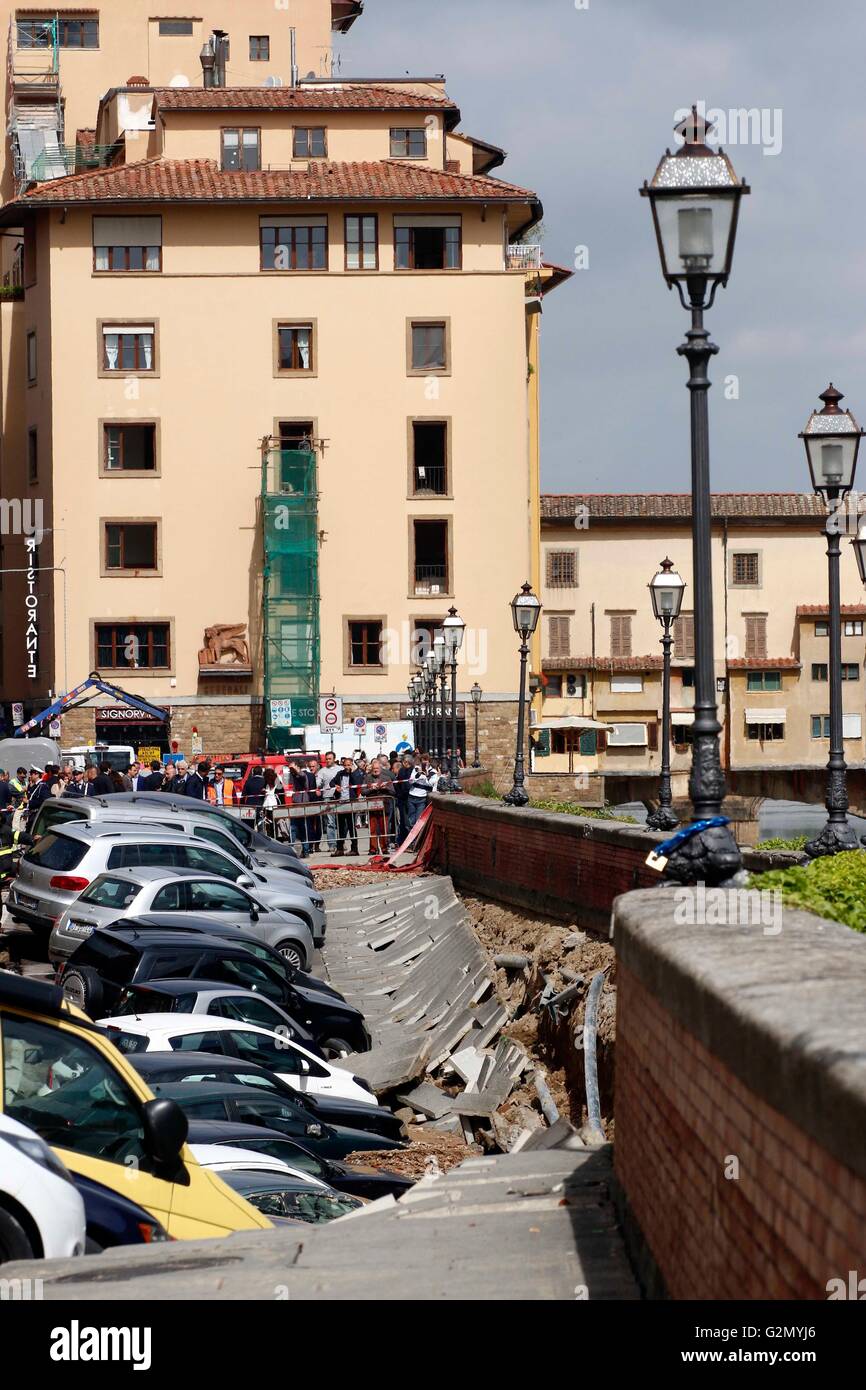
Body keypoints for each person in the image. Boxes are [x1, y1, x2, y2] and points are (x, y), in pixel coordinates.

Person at [365, 758, 394, 857]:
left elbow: (393, 792)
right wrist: (371, 789)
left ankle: (384, 847)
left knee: (383, 828)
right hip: (372, 806)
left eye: (377, 768)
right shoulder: (367, 778)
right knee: (372, 829)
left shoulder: (386, 778)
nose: (375, 770)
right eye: (374, 768)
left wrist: (386, 788)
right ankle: (373, 849)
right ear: (371, 769)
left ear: (380, 769)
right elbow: (362, 791)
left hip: (384, 806)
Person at [331, 757, 359, 857]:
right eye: (345, 765)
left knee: (352, 827)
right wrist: (336, 786)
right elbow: (331, 782)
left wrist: (351, 772)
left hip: (350, 803)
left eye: (349, 765)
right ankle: (340, 849)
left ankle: (355, 849)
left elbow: (357, 783)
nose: (347, 767)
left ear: (352, 765)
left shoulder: (355, 774)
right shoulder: (340, 774)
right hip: (341, 803)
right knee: (341, 827)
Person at [316, 751, 341, 852]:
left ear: (334, 759)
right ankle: (331, 844)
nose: (328, 760)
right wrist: (318, 785)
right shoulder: (322, 771)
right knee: (330, 822)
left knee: (341, 822)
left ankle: (341, 843)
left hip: (339, 797)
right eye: (326, 759)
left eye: (330, 758)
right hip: (327, 797)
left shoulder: (340, 769)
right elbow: (318, 782)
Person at [394, 752, 414, 844]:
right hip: (402, 798)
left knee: (409, 821)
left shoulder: (413, 770)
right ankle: (402, 840)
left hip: (410, 797)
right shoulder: (401, 771)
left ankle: (409, 840)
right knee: (403, 820)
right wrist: (399, 794)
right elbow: (398, 783)